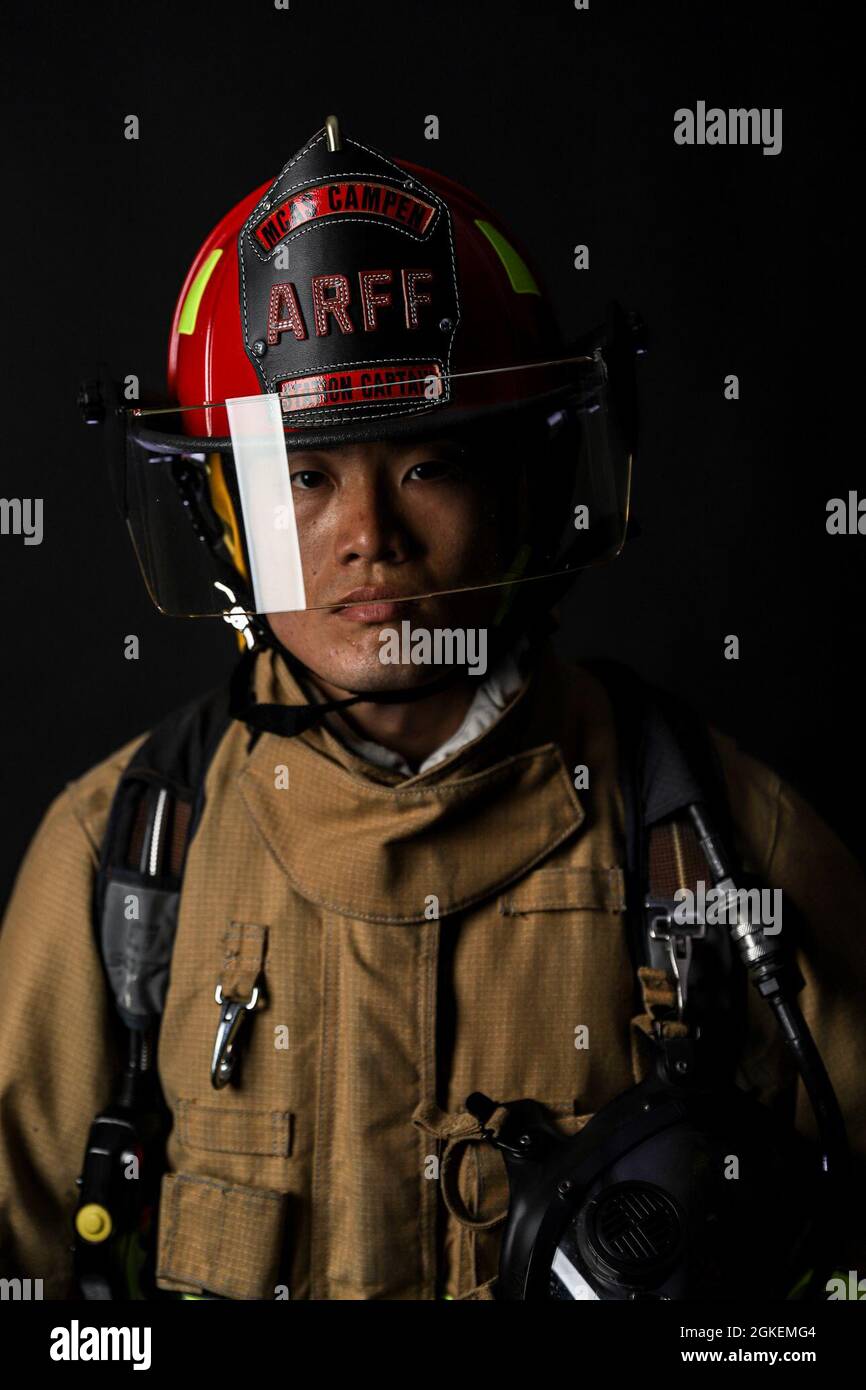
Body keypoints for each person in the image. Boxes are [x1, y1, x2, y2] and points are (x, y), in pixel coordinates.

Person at [0, 117, 864, 1302]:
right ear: (220, 513)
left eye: (428, 462)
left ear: (525, 486)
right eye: (302, 474)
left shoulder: (718, 845)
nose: (368, 537)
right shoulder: (122, 860)